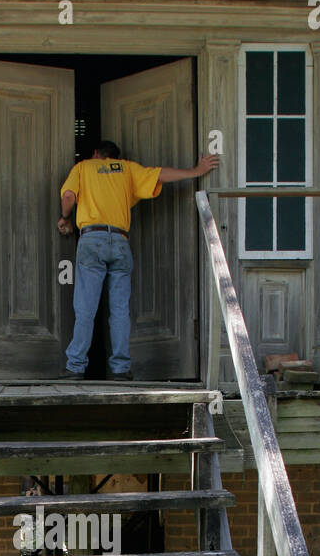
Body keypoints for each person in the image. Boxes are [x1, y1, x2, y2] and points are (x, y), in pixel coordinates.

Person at [58, 141, 218, 380]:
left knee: (85, 309)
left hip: (92, 239)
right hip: (120, 241)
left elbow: (69, 196)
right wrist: (196, 171)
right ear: (115, 157)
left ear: (95, 153)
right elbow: (161, 174)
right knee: (120, 310)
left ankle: (76, 366)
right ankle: (121, 369)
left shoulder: (84, 167)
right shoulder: (127, 169)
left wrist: (65, 218)